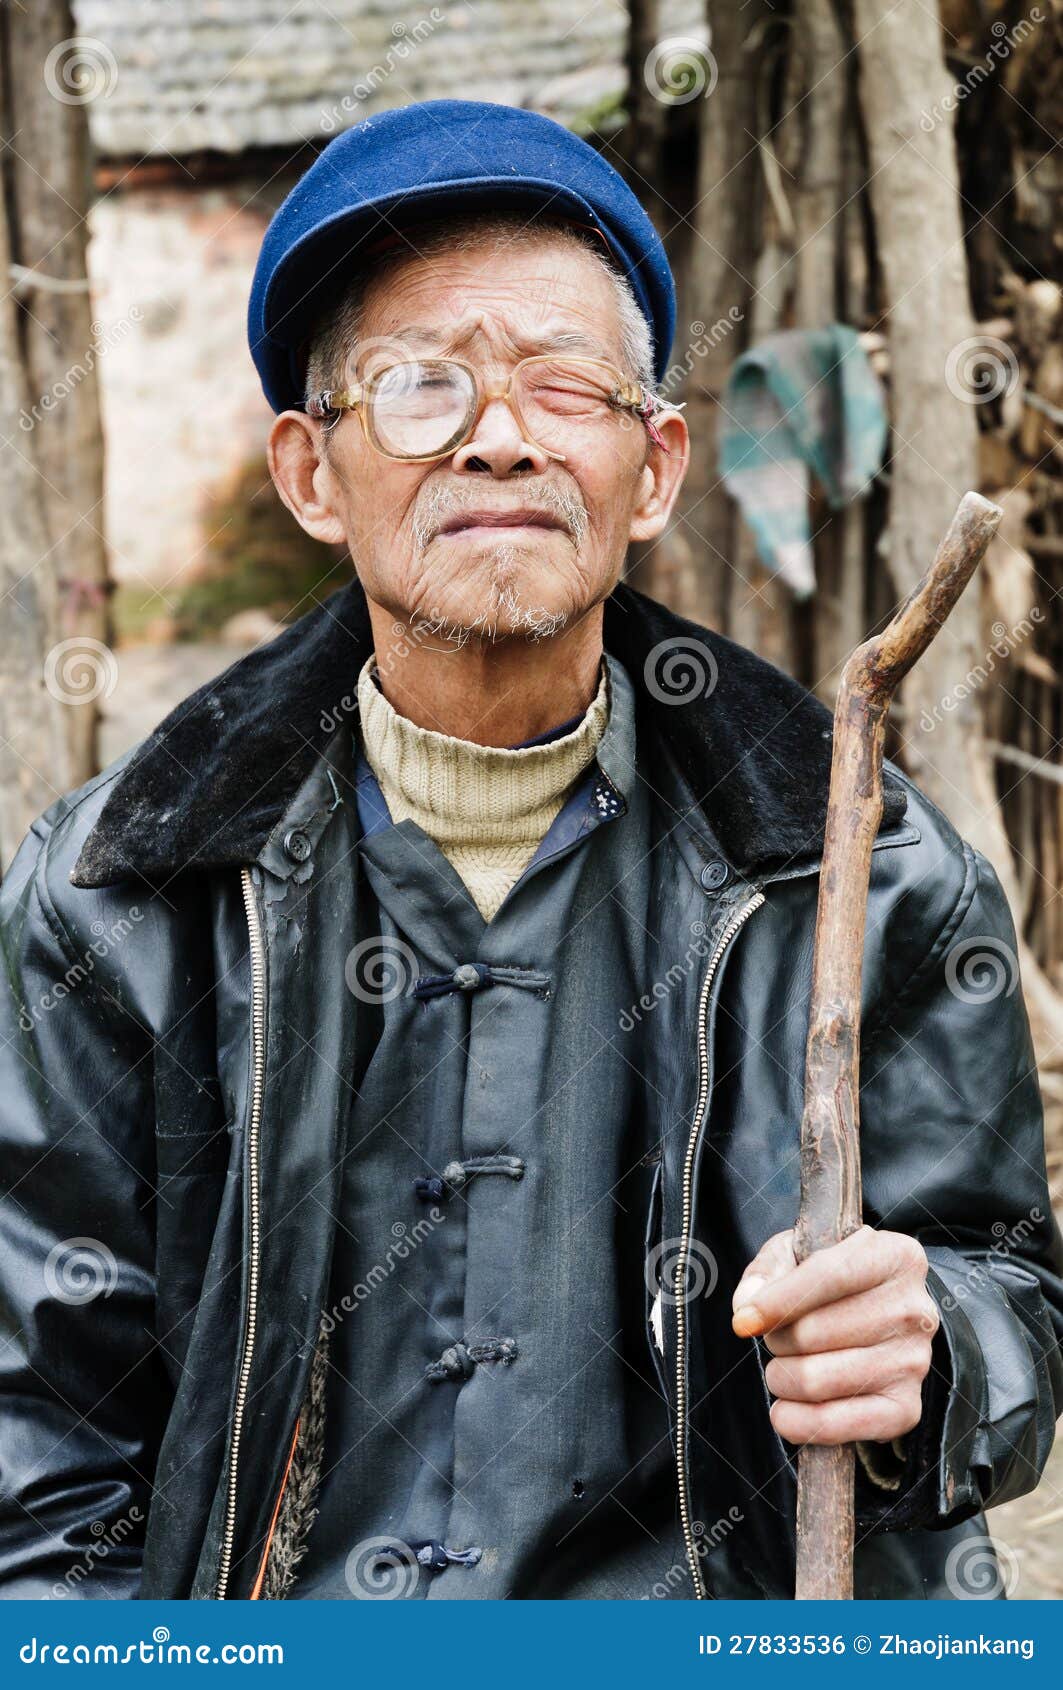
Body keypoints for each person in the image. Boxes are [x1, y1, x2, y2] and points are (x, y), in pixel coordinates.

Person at [0, 100, 1059, 1602]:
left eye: (565, 385)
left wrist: (933, 1343)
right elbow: (33, 1438)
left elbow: (1013, 1287)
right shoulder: (117, 901)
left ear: (658, 467)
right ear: (312, 473)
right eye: (423, 385)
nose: (499, 435)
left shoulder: (860, 871)